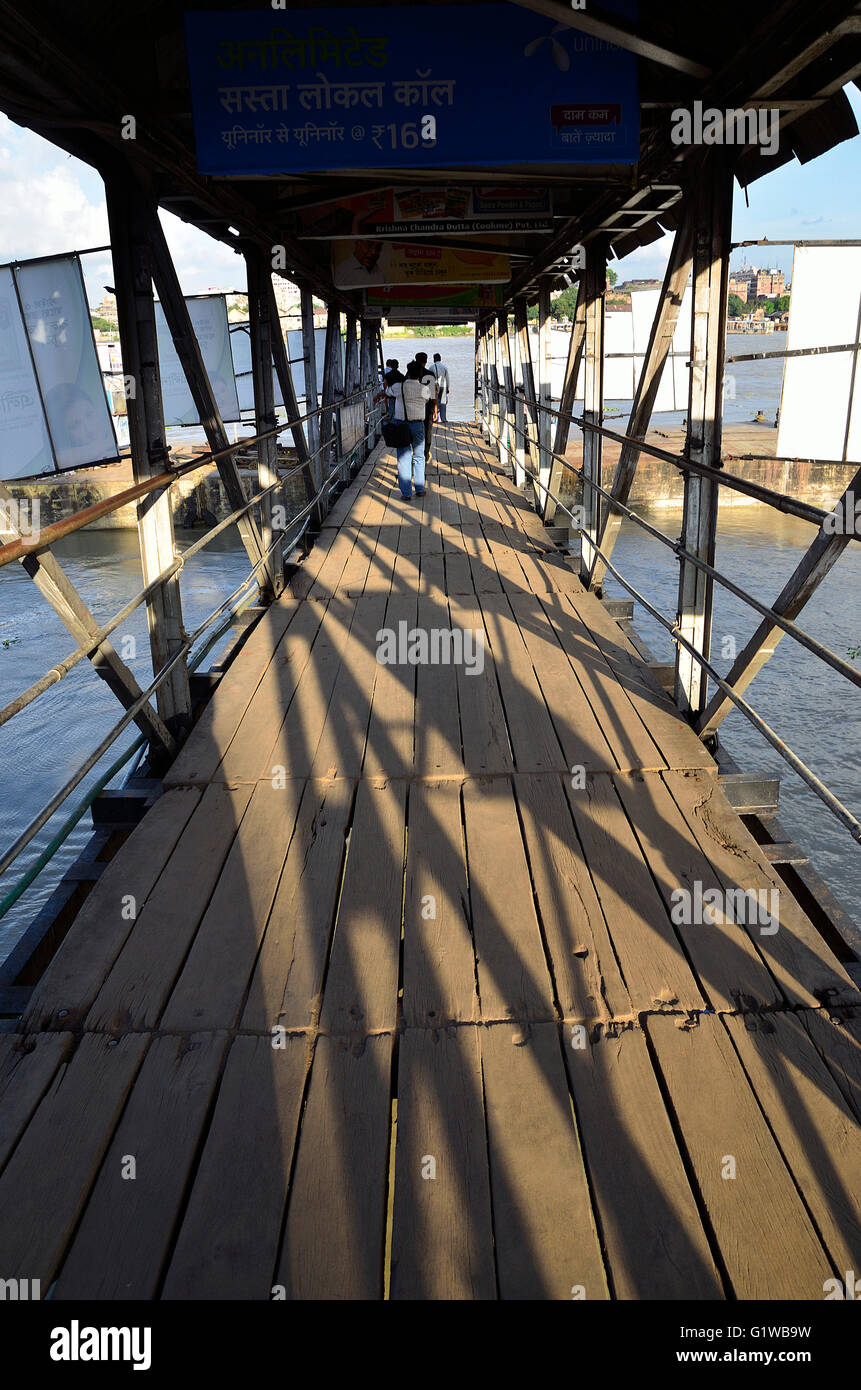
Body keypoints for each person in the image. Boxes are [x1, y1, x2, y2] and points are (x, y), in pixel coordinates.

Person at [386, 360, 430, 500]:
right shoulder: (424, 389)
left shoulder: (399, 386)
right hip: (418, 425)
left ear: (408, 372)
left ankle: (406, 493)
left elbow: (388, 392)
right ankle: (420, 488)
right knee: (419, 457)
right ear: (420, 373)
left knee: (404, 459)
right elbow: (427, 400)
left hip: (402, 426)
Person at [413, 351, 437, 463]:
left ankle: (416, 451)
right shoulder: (430, 374)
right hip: (427, 407)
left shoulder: (410, 373)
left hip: (414, 407)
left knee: (414, 429)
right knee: (427, 430)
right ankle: (426, 453)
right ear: (426, 361)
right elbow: (433, 394)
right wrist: (436, 409)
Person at [432, 352, 450, 422]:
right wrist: (448, 388)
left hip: (435, 387)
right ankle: (444, 419)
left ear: (434, 359)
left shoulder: (431, 367)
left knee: (435, 403)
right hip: (443, 386)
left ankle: (435, 418)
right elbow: (447, 379)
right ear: (440, 359)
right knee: (443, 403)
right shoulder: (444, 367)